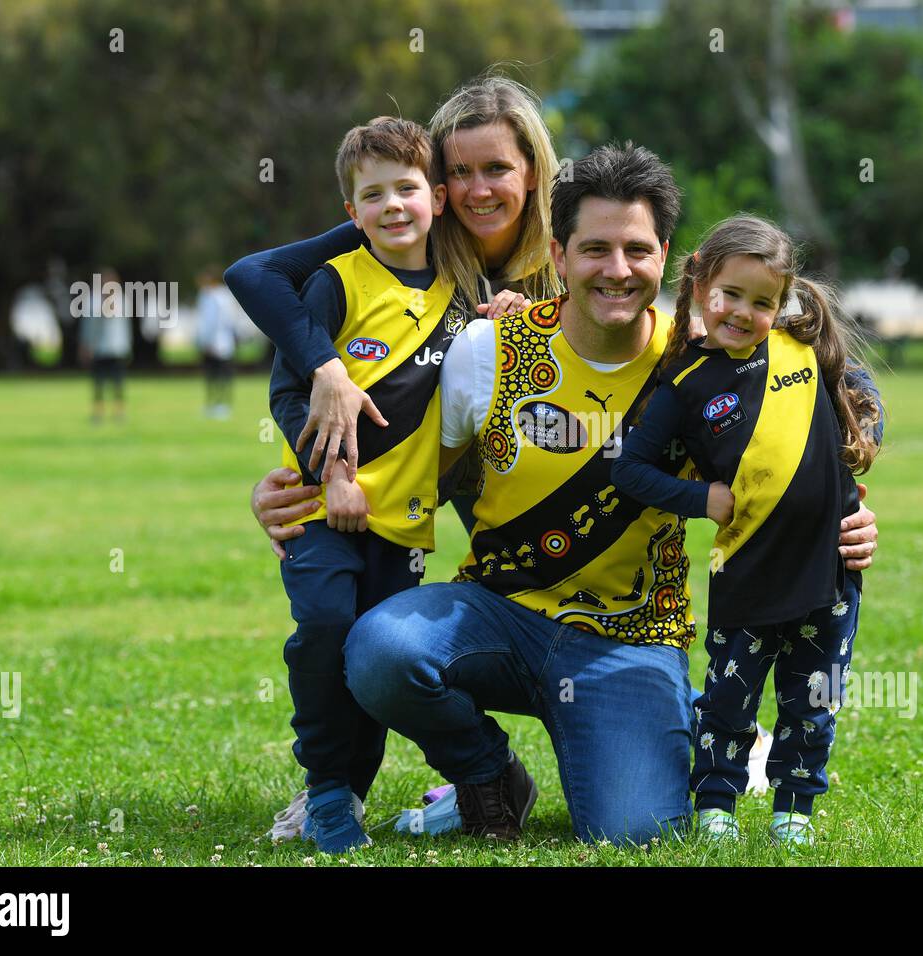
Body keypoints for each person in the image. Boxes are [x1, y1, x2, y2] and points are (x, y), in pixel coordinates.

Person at [334, 144, 879, 845]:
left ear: (666, 256)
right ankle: (488, 775)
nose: (617, 271)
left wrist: (855, 509)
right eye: (595, 249)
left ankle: (677, 718)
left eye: (635, 249)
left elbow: (849, 398)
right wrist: (314, 492)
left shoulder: (707, 357)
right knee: (382, 650)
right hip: (497, 616)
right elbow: (416, 480)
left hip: (632, 637)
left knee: (637, 832)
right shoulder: (487, 350)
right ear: (558, 255)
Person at [227, 74, 560, 840]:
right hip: (405, 498)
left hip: (554, 523)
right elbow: (255, 276)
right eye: (459, 172)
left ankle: (672, 727)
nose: (475, 190)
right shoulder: (393, 242)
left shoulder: (573, 253)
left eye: (496, 170)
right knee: (362, 636)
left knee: (627, 783)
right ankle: (342, 790)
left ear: (533, 172)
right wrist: (326, 381)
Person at [613, 215, 881, 847]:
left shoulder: (806, 351)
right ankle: (716, 803)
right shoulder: (684, 381)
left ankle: (794, 809)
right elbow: (629, 470)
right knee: (728, 703)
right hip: (747, 577)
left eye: (763, 302)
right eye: (731, 294)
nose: (743, 312)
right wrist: (699, 497)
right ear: (703, 280)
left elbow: (866, 399)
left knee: (812, 703)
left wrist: (861, 452)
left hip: (831, 577)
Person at [268, 116, 470, 853]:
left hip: (404, 523)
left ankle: (352, 790)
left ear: (438, 198)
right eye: (372, 194)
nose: (393, 206)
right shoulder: (334, 282)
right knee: (323, 630)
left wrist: (505, 316)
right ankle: (326, 789)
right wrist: (334, 476)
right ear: (349, 212)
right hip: (325, 510)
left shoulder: (461, 297)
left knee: (371, 656)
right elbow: (291, 396)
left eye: (407, 189)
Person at [79, 267, 131, 424]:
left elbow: (119, 320)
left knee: (118, 383)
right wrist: (85, 345)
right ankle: (98, 413)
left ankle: (119, 412)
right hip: (98, 348)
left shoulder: (120, 299)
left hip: (116, 348)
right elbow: (88, 324)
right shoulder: (92, 299)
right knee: (98, 384)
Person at [194, 268, 239, 419]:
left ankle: (223, 404)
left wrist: (209, 340)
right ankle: (212, 403)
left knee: (223, 375)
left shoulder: (219, 297)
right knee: (210, 376)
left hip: (220, 342)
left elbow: (217, 321)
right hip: (212, 342)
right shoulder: (206, 296)